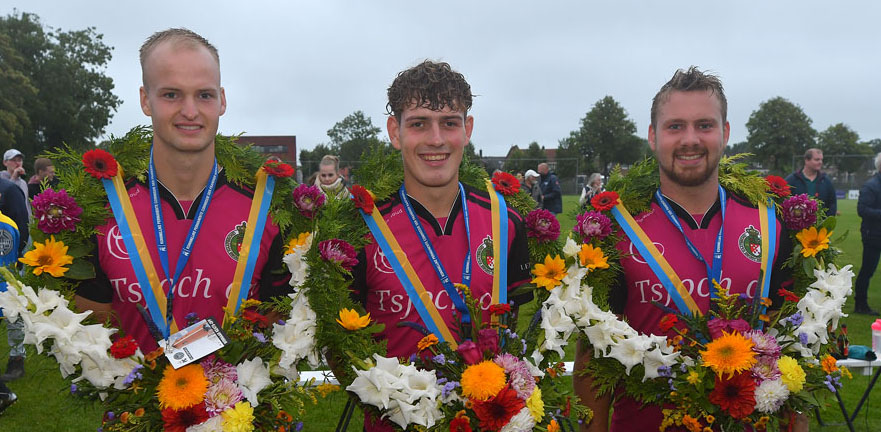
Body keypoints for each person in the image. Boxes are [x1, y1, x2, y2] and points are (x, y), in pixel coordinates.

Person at [574, 67, 794, 432]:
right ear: (652, 136)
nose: (690, 139)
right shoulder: (614, 231)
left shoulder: (771, 225)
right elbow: (592, 359)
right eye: (675, 126)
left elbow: (792, 350)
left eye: (704, 125)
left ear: (725, 133)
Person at [74, 29, 289, 353]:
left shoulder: (268, 209)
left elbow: (276, 331)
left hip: (239, 402)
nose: (190, 111)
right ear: (146, 100)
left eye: (204, 95)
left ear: (222, 100)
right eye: (171, 95)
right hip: (135, 401)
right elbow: (91, 338)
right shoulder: (101, 209)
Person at [349, 60, 532, 431]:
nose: (436, 139)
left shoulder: (506, 223)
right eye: (418, 123)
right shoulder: (360, 229)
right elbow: (342, 347)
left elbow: (512, 333)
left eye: (449, 122)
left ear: (467, 130)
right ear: (395, 132)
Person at [0, 179, 28, 413]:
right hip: (8, 281)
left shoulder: (10, 190)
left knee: (14, 320)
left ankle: (17, 359)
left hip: (6, 282)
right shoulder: (8, 223)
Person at [854, 152, 881, 315]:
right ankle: (860, 305)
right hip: (873, 235)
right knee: (868, 270)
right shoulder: (871, 186)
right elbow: (862, 210)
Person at [785, 148, 837, 217]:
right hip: (797, 226)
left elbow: (832, 203)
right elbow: (784, 203)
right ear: (807, 160)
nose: (820, 162)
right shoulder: (792, 180)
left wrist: (826, 222)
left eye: (821, 159)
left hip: (820, 226)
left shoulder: (826, 181)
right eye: (817, 159)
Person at [2, 149, 31, 219]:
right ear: (5, 162)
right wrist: (14, 177)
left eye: (19, 160)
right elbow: (5, 199)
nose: (18, 163)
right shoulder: (1, 179)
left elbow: (26, 205)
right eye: (14, 160)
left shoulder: (23, 183)